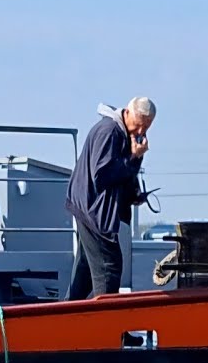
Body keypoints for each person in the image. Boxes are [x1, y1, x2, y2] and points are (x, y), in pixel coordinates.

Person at [64, 97, 156, 300]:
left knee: (86, 272)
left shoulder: (118, 132)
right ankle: (108, 329)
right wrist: (134, 158)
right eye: (139, 125)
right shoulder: (109, 131)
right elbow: (102, 175)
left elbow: (115, 174)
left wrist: (132, 194)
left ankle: (65, 323)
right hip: (94, 212)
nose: (141, 132)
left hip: (90, 209)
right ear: (128, 114)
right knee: (109, 267)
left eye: (146, 128)